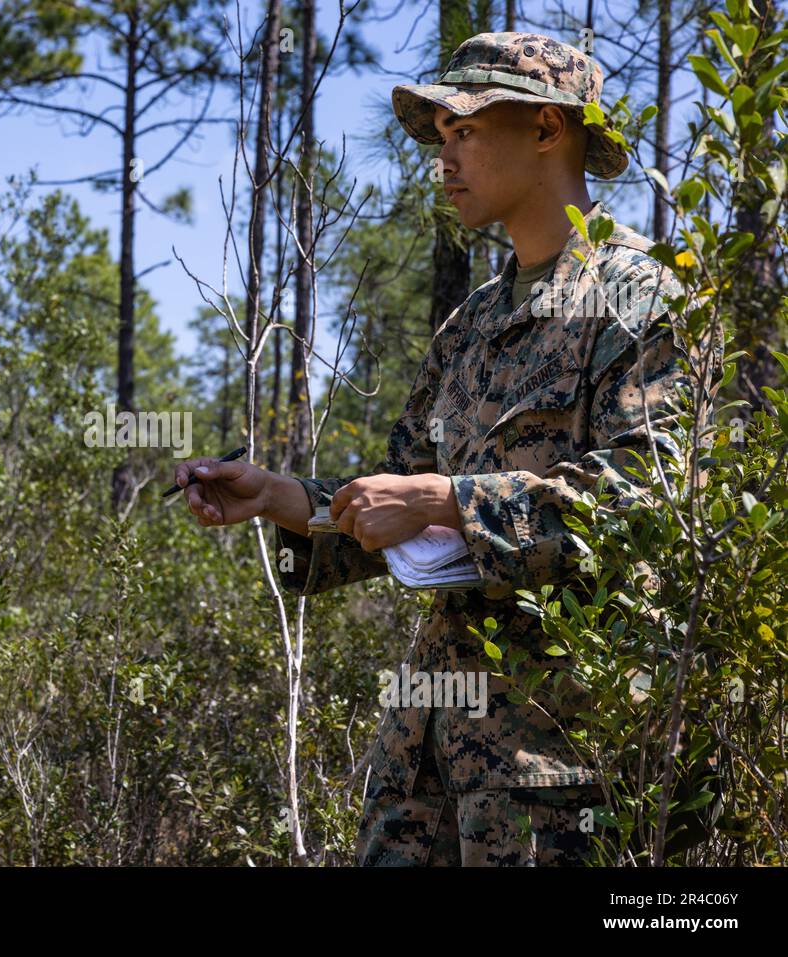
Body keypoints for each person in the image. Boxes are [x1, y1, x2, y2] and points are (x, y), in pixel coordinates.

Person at [173, 32, 717, 865]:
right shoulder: (473, 325)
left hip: (557, 778)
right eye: (440, 135)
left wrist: (446, 500)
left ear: (545, 128)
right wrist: (280, 497)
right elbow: (396, 494)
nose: (444, 158)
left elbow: (646, 507)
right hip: (423, 776)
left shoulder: (639, 297)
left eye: (464, 129)